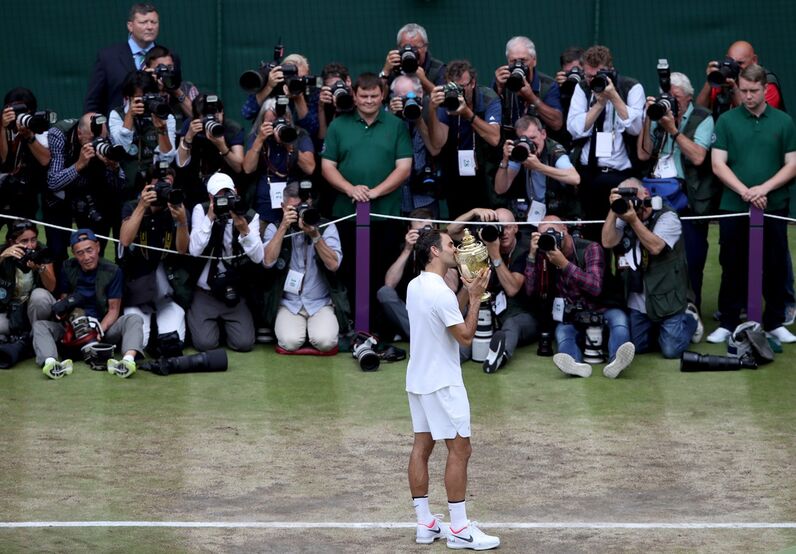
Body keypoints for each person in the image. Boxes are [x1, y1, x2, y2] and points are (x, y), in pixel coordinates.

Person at [405, 229, 499, 550]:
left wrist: (465, 293)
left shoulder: (415, 286)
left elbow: (445, 319)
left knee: (422, 447)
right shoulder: (441, 293)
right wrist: (475, 298)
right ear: (434, 251)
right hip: (443, 384)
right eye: (450, 244)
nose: (456, 249)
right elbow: (466, 337)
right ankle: (459, 528)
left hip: (418, 381)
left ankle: (425, 523)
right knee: (461, 450)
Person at [707, 64, 796, 344]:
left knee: (775, 263)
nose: (747, 96)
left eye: (753, 91)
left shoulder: (783, 121)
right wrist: (746, 192)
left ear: (765, 89)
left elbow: (792, 164)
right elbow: (718, 164)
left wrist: (763, 189)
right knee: (732, 263)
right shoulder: (726, 121)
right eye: (743, 90)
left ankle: (774, 322)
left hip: (774, 205)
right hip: (733, 205)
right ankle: (728, 322)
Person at [321, 72, 412, 321]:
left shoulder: (396, 125)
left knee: (383, 272)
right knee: (348, 271)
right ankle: (352, 325)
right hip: (346, 214)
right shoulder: (338, 125)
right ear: (354, 96)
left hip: (387, 214)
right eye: (364, 96)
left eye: (374, 96)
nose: (369, 101)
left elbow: (404, 168)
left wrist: (374, 192)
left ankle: (381, 327)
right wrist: (351, 189)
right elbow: (327, 167)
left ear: (382, 96)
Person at [637, 71, 717, 320]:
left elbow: (698, 156)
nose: (671, 102)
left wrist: (673, 130)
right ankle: (657, 310)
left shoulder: (702, 117)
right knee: (656, 255)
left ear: (689, 97)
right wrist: (647, 119)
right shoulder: (658, 117)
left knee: (692, 257)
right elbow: (643, 154)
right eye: (668, 97)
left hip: (689, 198)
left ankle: (691, 310)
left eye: (676, 97)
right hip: (658, 194)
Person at [525, 216, 634, 378]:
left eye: (552, 233)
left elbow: (595, 287)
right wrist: (532, 256)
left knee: (619, 320)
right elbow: (530, 291)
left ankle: (616, 361)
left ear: (565, 229)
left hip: (602, 306)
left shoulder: (590, 248)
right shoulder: (544, 255)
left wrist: (564, 264)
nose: (550, 239)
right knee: (562, 332)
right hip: (573, 313)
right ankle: (574, 364)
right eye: (543, 236)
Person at [601, 179, 697, 359]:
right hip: (638, 301)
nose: (629, 201)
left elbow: (655, 247)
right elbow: (607, 242)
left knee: (671, 351)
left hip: (666, 296)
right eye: (623, 196)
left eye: (632, 194)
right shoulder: (624, 215)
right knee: (637, 347)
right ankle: (660, 331)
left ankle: (690, 319)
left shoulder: (667, 216)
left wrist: (633, 220)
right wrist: (613, 210)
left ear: (645, 193)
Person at [33, 229, 144, 379]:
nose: (86, 257)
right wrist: (65, 314)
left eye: (89, 250)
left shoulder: (113, 271)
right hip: (74, 326)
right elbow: (64, 300)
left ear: (98, 247)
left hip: (102, 328)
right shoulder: (67, 267)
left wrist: (99, 330)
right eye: (80, 253)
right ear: (74, 253)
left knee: (134, 319)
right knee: (40, 326)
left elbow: (113, 310)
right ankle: (51, 363)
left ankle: (127, 361)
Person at [567, 45, 645, 240]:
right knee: (592, 235)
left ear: (611, 71)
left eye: (598, 75)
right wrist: (599, 103)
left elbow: (635, 128)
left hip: (620, 173)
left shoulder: (631, 87)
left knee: (621, 233)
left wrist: (614, 96)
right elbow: (575, 129)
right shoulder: (582, 88)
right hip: (589, 172)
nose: (593, 80)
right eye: (589, 76)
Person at [447, 208, 539, 373]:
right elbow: (451, 231)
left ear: (516, 228)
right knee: (471, 319)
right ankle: (452, 358)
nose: (503, 232)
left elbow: (512, 289)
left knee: (512, 325)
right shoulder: (485, 238)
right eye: (498, 226)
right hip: (490, 312)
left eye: (507, 227)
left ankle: (499, 357)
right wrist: (474, 212)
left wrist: (494, 254)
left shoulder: (525, 248)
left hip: (520, 315)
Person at [263, 182, 346, 352]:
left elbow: (334, 265)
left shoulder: (326, 227)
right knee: (290, 342)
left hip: (320, 302)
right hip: (289, 303)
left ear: (310, 204)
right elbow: (267, 261)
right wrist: (283, 227)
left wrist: (316, 236)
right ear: (283, 207)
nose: (299, 212)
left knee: (325, 342)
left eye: (303, 207)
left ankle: (315, 329)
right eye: (293, 209)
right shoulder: (274, 227)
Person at [118, 164, 189, 357]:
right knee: (138, 342)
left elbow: (182, 249)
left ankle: (160, 332)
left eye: (168, 185)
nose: (163, 191)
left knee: (171, 344)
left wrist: (182, 222)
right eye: (159, 186)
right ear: (147, 185)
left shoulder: (177, 207)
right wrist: (142, 206)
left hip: (166, 291)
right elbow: (125, 240)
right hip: (137, 289)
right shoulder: (133, 205)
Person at [187, 173, 263, 352]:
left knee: (244, 344)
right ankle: (211, 326)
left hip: (234, 288)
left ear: (235, 192)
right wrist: (209, 219)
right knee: (205, 344)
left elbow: (259, 257)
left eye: (228, 194)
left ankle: (226, 326)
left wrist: (244, 230)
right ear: (210, 197)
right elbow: (194, 250)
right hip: (205, 290)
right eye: (219, 196)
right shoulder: (201, 210)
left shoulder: (249, 215)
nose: (225, 200)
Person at [47, 112, 126, 264]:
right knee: (57, 252)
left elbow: (121, 185)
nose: (97, 142)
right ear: (79, 133)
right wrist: (79, 165)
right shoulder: (60, 134)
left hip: (94, 199)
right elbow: (53, 182)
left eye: (101, 138)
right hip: (62, 199)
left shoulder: (104, 136)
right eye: (91, 139)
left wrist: (114, 167)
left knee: (96, 251)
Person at [426, 60, 502, 216]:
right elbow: (437, 143)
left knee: (488, 219)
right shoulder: (445, 100)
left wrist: (467, 113)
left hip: (486, 170)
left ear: (472, 83)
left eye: (462, 87)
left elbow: (494, 138)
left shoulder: (487, 97)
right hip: (455, 172)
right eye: (453, 87)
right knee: (459, 222)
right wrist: (432, 110)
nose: (457, 92)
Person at [84, 3, 180, 116]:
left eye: (154, 22)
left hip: (160, 122)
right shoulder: (108, 57)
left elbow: (176, 95)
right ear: (130, 26)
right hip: (119, 123)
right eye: (143, 22)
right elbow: (93, 103)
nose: (150, 27)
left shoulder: (169, 58)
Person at [377, 208, 458, 340]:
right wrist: (407, 249)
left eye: (428, 231)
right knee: (384, 292)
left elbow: (453, 287)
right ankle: (422, 335)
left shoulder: (444, 248)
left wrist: (435, 251)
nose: (423, 236)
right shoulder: (401, 247)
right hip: (409, 312)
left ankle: (422, 336)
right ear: (409, 230)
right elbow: (389, 284)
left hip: (436, 311)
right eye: (419, 232)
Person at [243, 96, 315, 224]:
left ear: (289, 119)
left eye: (281, 121)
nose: (277, 125)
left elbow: (310, 168)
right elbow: (248, 168)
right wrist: (260, 140)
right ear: (262, 122)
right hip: (264, 206)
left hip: (294, 205)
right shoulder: (257, 137)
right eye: (272, 122)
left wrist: (289, 144)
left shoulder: (300, 135)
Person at [494, 115, 580, 219]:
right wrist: (505, 160)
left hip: (556, 213)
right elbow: (500, 189)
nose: (529, 143)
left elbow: (575, 178)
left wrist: (538, 166)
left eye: (532, 138)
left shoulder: (554, 150)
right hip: (528, 212)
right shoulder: (519, 151)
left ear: (543, 134)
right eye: (524, 139)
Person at [108, 70, 177, 197]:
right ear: (128, 97)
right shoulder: (117, 115)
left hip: (155, 185)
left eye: (147, 97)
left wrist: (162, 129)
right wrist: (130, 115)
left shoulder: (165, 117)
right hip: (125, 185)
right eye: (140, 98)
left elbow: (167, 158)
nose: (144, 103)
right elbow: (121, 149)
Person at [0, 221, 57, 361]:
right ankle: (19, 339)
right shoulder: (2, 251)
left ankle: (35, 337)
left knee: (40, 296)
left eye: (33, 240)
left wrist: (39, 268)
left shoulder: (42, 252)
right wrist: (1, 258)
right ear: (12, 242)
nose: (30, 245)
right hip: (9, 311)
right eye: (24, 241)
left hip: (34, 310)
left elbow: (51, 286)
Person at [177, 93, 245, 210]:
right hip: (195, 187)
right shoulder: (190, 126)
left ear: (222, 112)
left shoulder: (232, 129)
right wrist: (188, 137)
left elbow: (238, 167)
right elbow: (181, 162)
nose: (211, 119)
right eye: (205, 115)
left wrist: (222, 146)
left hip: (223, 186)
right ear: (197, 117)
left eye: (215, 114)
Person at [387, 75, 442, 216]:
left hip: (424, 191)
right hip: (395, 191)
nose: (407, 101)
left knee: (426, 229)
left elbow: (434, 149)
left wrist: (418, 118)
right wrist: (391, 116)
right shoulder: (387, 117)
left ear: (420, 94)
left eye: (410, 96)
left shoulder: (430, 112)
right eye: (402, 98)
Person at [695, 40, 785, 120]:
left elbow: (756, 119)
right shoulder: (725, 77)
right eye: (731, 62)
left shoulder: (765, 83)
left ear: (754, 60)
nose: (735, 67)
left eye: (740, 63)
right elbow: (699, 111)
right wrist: (711, 79)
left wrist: (734, 89)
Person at [241, 53, 320, 141]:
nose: (296, 81)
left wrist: (299, 97)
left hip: (297, 142)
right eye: (291, 76)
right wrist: (269, 87)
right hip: (267, 139)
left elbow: (311, 129)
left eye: (301, 78)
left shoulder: (310, 91)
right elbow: (247, 113)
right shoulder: (270, 84)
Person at [0, 88, 51, 224]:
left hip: (26, 194)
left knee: (25, 232)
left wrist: (29, 136)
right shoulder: (2, 126)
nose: (19, 115)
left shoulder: (38, 127)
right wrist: (3, 128)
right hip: (2, 189)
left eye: (23, 111)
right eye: (15, 111)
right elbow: (4, 159)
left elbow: (45, 160)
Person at [493, 36, 563, 131]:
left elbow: (557, 123)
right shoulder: (502, 81)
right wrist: (497, 90)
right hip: (511, 138)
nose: (518, 65)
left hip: (540, 138)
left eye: (523, 60)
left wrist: (532, 98)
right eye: (513, 61)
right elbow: (489, 119)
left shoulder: (548, 85)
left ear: (534, 60)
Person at [379, 23, 447, 93]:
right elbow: (379, 96)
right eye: (405, 47)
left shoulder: (438, 69)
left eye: (415, 48)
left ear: (425, 47)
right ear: (398, 48)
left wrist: (424, 81)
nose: (410, 51)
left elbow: (443, 98)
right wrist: (385, 72)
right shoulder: (394, 67)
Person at [144, 45, 198, 125]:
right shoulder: (142, 89)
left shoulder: (187, 87)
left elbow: (198, 118)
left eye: (169, 67)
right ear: (148, 69)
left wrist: (176, 91)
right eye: (159, 68)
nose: (164, 72)